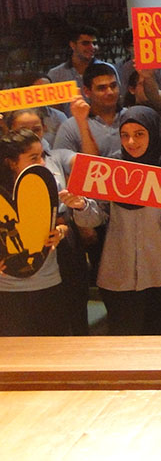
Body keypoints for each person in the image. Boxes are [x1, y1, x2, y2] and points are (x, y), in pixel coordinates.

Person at [75, 106, 161, 335]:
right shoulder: (111, 168)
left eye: (139, 134)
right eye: (125, 135)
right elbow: (95, 217)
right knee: (125, 342)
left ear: (152, 132)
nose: (131, 141)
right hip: (119, 273)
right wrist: (81, 206)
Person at [0, 128, 89, 336]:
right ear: (11, 162)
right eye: (33, 158)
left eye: (42, 156)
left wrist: (60, 231)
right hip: (7, 292)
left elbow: (63, 224)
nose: (41, 163)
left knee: (52, 357)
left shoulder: (45, 185)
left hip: (49, 285)